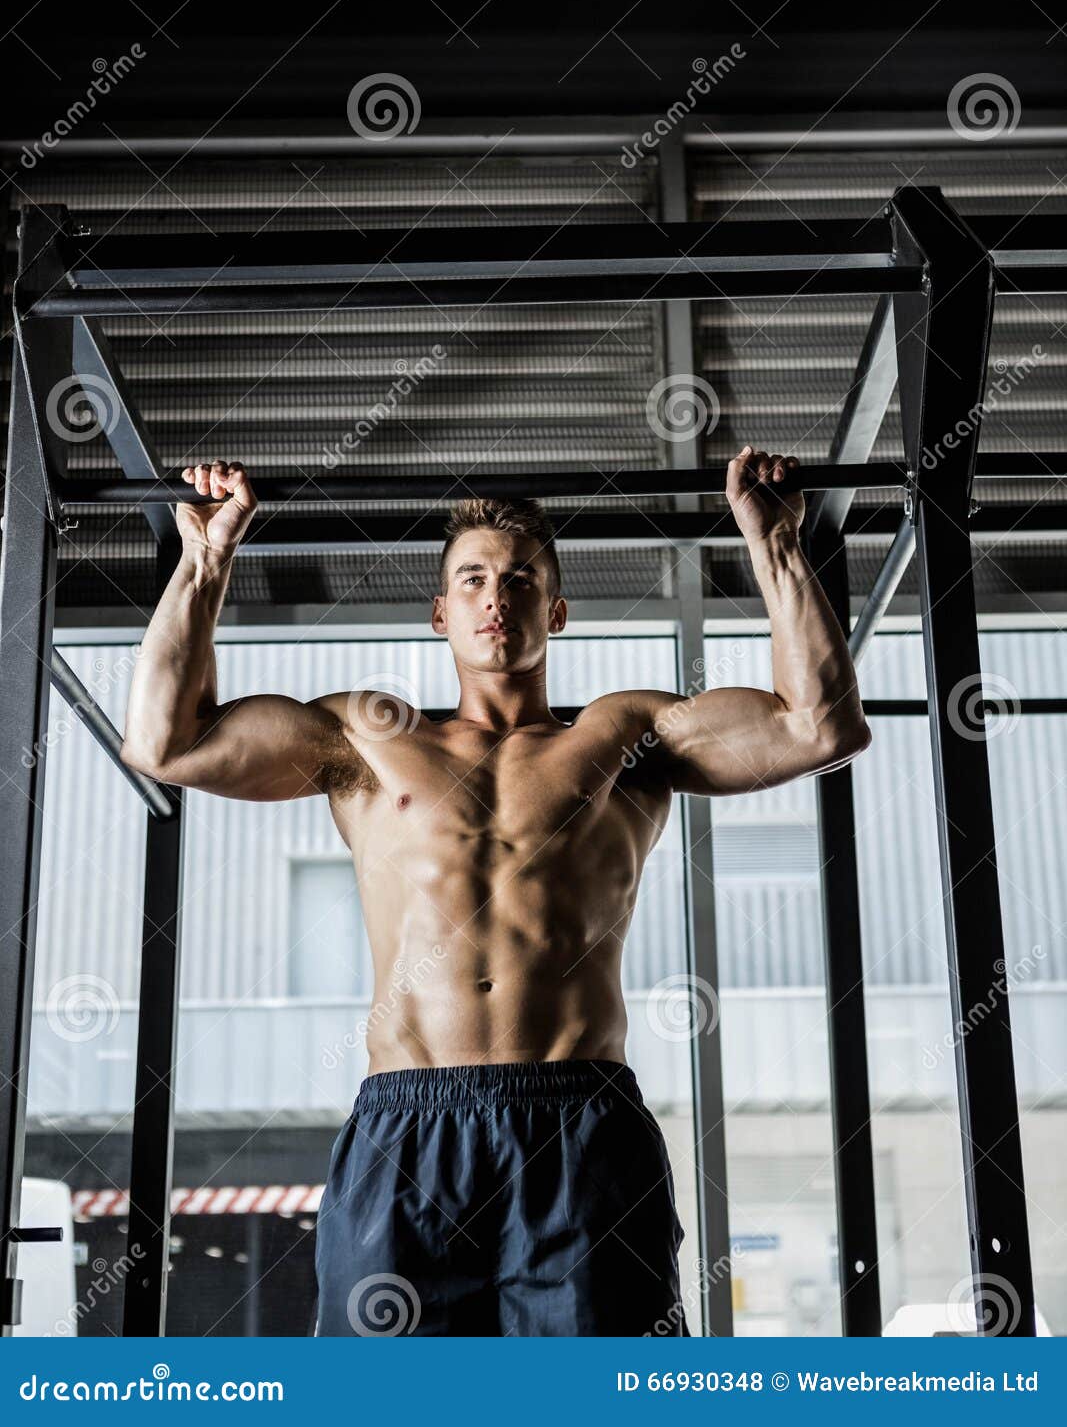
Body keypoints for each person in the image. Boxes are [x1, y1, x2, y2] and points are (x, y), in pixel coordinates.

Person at [120, 447, 871, 1336]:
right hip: (408, 1125)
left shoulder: (622, 738)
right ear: (441, 613)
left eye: (519, 581)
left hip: (577, 1120)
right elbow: (165, 743)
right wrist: (206, 561)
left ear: (554, 611)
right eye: (472, 579)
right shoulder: (367, 738)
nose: (494, 596)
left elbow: (819, 725)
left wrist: (773, 541)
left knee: (600, 1401)